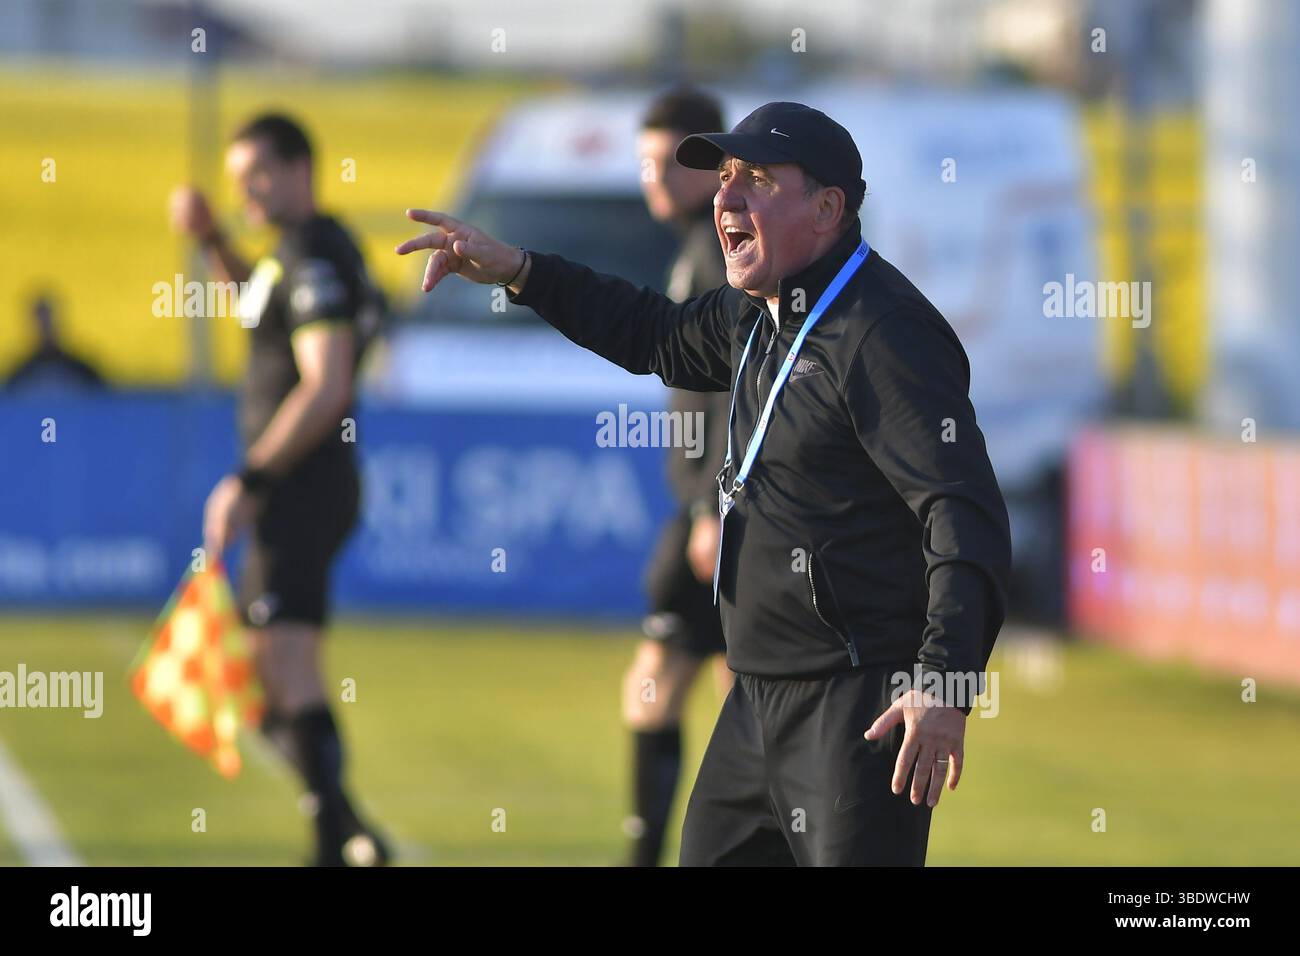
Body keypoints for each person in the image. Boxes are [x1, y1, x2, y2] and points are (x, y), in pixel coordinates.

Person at [396, 101, 1012, 866]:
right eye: (723, 179)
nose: (726, 198)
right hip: (753, 698)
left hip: (856, 708)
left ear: (827, 208)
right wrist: (521, 271)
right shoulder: (757, 312)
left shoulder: (884, 334)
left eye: (756, 179)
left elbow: (964, 511)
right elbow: (649, 330)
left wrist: (945, 684)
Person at [169, 113, 389, 867]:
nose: (246, 192)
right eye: (236, 181)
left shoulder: (314, 253)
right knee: (265, 682)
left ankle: (338, 843)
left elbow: (327, 385)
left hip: (301, 485)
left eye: (256, 175)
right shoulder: (298, 254)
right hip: (298, 487)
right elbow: (257, 308)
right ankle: (351, 834)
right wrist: (210, 242)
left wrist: (250, 478)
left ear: (301, 168)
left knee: (283, 666)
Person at [622, 88, 733, 867]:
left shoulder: (724, 249)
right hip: (714, 507)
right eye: (644, 163)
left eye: (667, 162)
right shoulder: (703, 244)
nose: (653, 179)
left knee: (660, 684)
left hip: (721, 511)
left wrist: (711, 506)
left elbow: (740, 389)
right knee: (738, 692)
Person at [5, 294, 104, 391]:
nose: (45, 328)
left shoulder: (80, 369)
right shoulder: (20, 374)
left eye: (48, 320)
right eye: (41, 321)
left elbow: (101, 392)